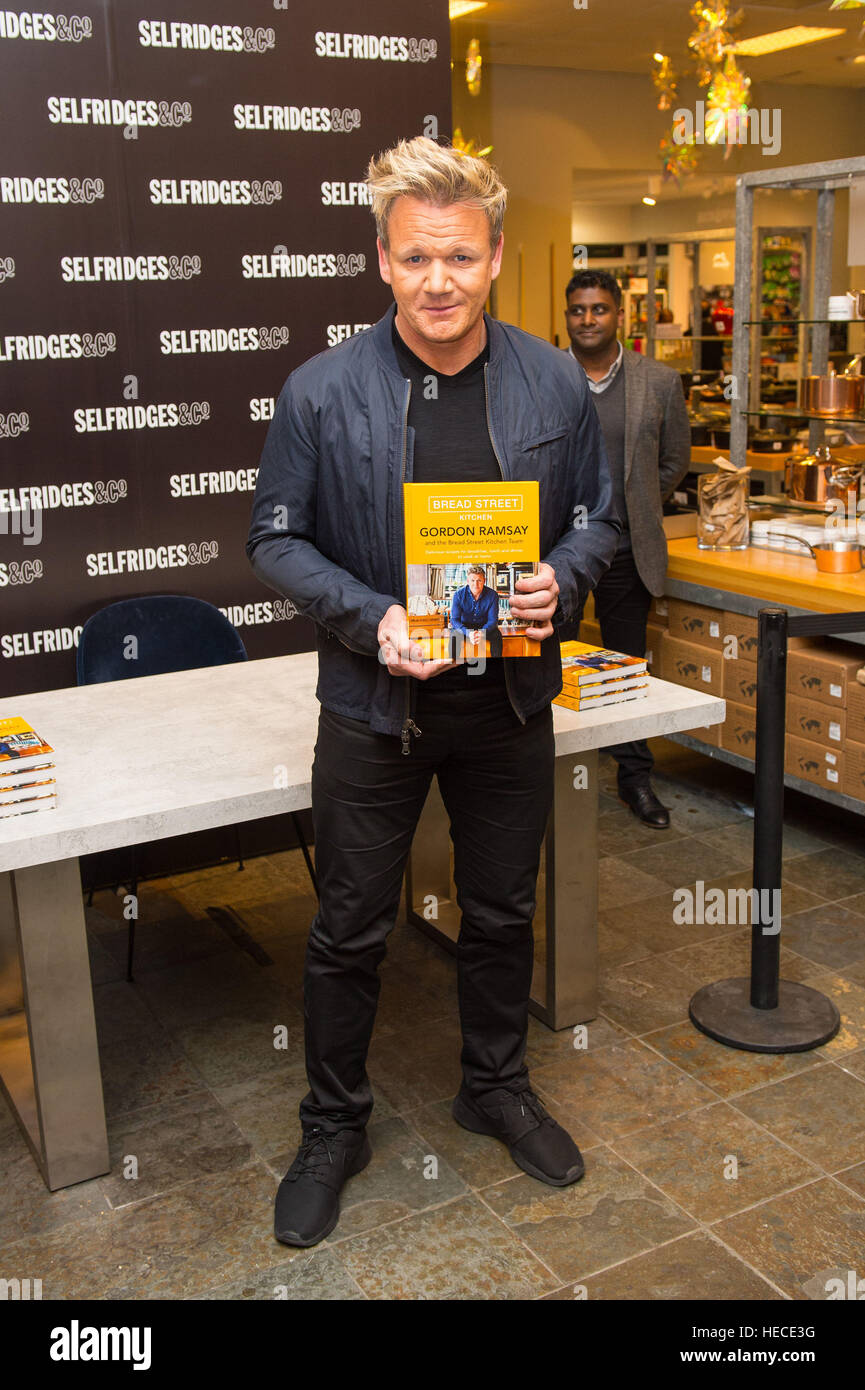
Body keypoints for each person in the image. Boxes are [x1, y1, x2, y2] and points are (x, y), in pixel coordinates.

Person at [246, 137, 620, 1248]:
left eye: (458, 257)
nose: (437, 281)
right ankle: (331, 1126)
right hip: (374, 711)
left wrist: (569, 571)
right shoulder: (320, 391)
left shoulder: (554, 377)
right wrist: (375, 621)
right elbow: (273, 538)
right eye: (415, 259)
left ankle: (493, 1086)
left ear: (496, 255)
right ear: (381, 260)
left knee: (503, 911)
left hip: (508, 706)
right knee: (349, 926)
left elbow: (600, 513)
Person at [563, 269, 690, 828]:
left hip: (625, 549)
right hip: (558, 552)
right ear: (566, 315)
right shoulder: (543, 376)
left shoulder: (659, 381)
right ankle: (554, 772)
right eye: (577, 310)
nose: (587, 320)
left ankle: (634, 780)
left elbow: (674, 460)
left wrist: (636, 506)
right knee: (551, 665)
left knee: (624, 669)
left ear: (620, 314)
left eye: (599, 309)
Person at [450, 564, 498, 653]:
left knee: (497, 635)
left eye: (479, 580)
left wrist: (482, 633)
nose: (475, 584)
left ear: (484, 580)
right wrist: (468, 632)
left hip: (484, 627)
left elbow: (493, 621)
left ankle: (496, 665)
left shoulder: (493, 595)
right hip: (464, 627)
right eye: (472, 580)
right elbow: (454, 620)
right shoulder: (458, 595)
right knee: (454, 635)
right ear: (468, 581)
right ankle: (453, 665)